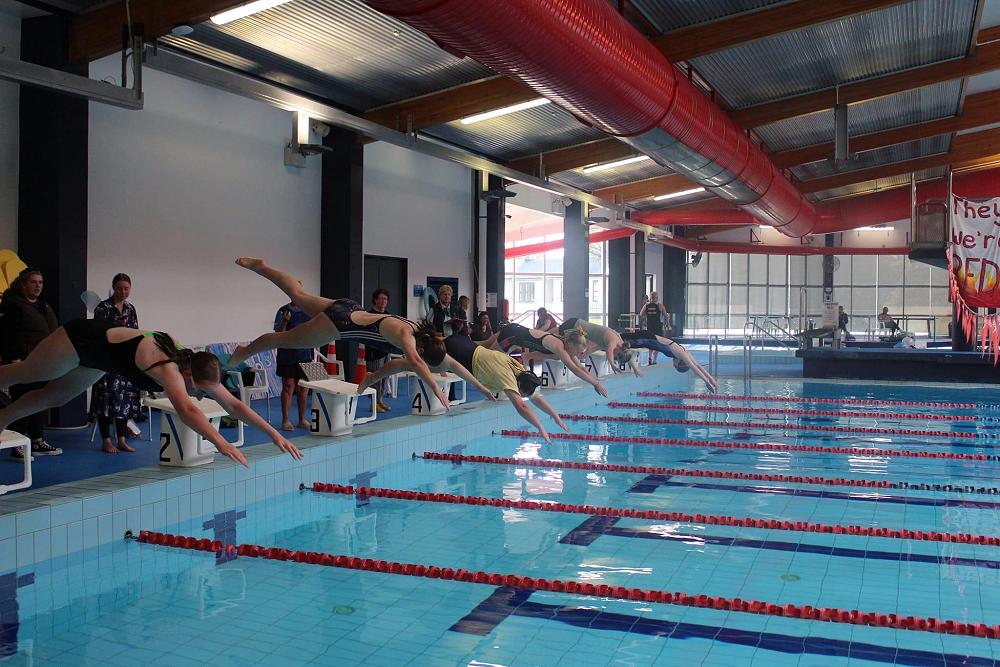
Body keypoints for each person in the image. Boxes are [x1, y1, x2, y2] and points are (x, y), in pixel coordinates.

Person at [0, 319, 302, 466]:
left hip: (99, 361)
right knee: (31, 373)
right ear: (188, 375)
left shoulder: (197, 365)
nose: (199, 395)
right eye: (198, 390)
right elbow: (187, 411)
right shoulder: (168, 367)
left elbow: (235, 405)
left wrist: (275, 434)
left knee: (55, 397)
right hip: (80, 340)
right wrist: (222, 444)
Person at [228, 258, 451, 409]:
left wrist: (370, 378)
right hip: (339, 325)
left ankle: (262, 267)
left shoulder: (415, 329)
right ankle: (245, 352)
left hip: (349, 307)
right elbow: (414, 361)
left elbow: (400, 364)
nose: (418, 359)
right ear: (421, 349)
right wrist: (435, 387)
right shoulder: (407, 337)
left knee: (298, 294)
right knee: (283, 340)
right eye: (421, 356)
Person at [361, 333, 569, 442]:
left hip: (464, 345)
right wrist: (540, 428)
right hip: (464, 355)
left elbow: (535, 397)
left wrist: (555, 416)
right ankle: (374, 375)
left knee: (414, 361)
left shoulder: (518, 369)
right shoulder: (509, 378)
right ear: (519, 387)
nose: (523, 397)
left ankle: (381, 369)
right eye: (523, 394)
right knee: (412, 364)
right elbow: (522, 407)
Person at [0, 268, 62, 460]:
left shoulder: (43, 305)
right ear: (23, 284)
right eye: (33, 282)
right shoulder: (12, 305)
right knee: (22, 402)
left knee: (38, 401)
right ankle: (17, 446)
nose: (37, 286)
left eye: (40, 283)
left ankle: (37, 440)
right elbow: (7, 334)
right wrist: (15, 358)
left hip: (42, 362)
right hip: (22, 363)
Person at [479, 322, 607, 396]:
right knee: (485, 358)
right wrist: (596, 384)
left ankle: (527, 356)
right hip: (511, 336)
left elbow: (580, 367)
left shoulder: (565, 347)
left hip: (515, 333)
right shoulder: (558, 346)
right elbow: (574, 369)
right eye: (578, 352)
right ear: (571, 344)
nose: (578, 355)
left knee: (482, 346)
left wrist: (595, 382)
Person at [90, 273, 142, 453]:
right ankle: (106, 440)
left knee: (124, 401)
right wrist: (114, 325)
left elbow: (136, 333)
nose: (123, 292)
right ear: (113, 288)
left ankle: (121, 439)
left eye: (126, 288)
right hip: (107, 361)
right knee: (106, 400)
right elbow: (96, 334)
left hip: (124, 362)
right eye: (119, 288)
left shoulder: (131, 309)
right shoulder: (103, 308)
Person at [620, 330, 719, 392]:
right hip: (646, 339)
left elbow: (698, 366)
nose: (673, 365)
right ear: (678, 364)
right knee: (619, 339)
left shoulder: (684, 352)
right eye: (675, 366)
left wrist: (711, 379)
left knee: (621, 340)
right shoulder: (680, 353)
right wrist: (707, 382)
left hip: (646, 340)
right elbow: (694, 368)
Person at [273, 296, 312, 430]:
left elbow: (315, 332)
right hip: (287, 356)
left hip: (306, 355)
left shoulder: (309, 311)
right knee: (288, 387)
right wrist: (285, 321)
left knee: (304, 388)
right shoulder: (283, 311)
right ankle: (286, 420)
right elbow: (278, 335)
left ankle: (302, 420)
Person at [367, 288, 393, 413]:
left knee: (385, 377)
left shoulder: (387, 314)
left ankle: (380, 400)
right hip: (374, 351)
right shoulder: (369, 315)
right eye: (381, 298)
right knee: (376, 377)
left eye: (385, 299)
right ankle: (374, 403)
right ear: (375, 300)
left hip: (385, 350)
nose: (383, 301)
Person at [637, 292, 668, 364]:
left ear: (651, 298)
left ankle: (650, 357)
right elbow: (666, 316)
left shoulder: (646, 306)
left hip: (650, 326)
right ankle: (654, 359)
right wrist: (667, 324)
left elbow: (640, 315)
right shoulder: (660, 306)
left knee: (651, 342)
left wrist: (644, 321)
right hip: (658, 327)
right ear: (656, 298)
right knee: (657, 342)